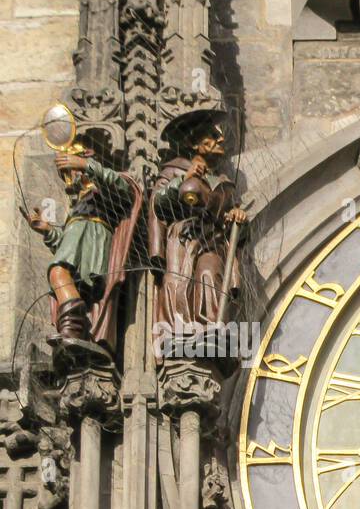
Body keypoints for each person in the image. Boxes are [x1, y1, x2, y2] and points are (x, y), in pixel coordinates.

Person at [25, 128, 140, 364]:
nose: (69, 176)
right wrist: (47, 231)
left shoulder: (104, 188)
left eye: (70, 168)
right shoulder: (78, 202)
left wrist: (86, 165)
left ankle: (73, 320)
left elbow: (124, 189)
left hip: (94, 237)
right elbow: (66, 242)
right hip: (79, 237)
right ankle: (73, 327)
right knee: (59, 273)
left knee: (58, 272)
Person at [149, 109, 248, 340]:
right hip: (182, 236)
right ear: (194, 143)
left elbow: (235, 227)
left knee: (209, 273)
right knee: (178, 281)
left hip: (212, 238)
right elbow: (156, 204)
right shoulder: (174, 170)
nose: (221, 139)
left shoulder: (224, 183)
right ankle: (178, 333)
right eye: (213, 135)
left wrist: (237, 216)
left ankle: (210, 329)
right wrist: (182, 180)